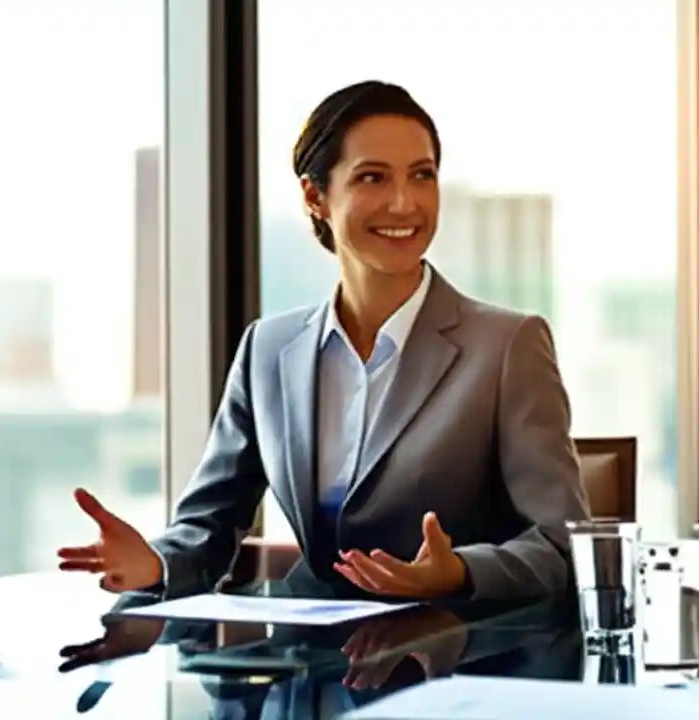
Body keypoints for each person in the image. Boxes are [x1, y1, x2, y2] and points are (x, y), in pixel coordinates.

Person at [58, 80, 591, 602]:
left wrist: (457, 573)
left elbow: (562, 547)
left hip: (460, 656)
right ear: (315, 196)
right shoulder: (267, 350)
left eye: (422, 175)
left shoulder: (506, 346)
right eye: (373, 178)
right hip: (311, 663)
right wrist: (154, 562)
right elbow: (209, 523)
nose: (405, 203)